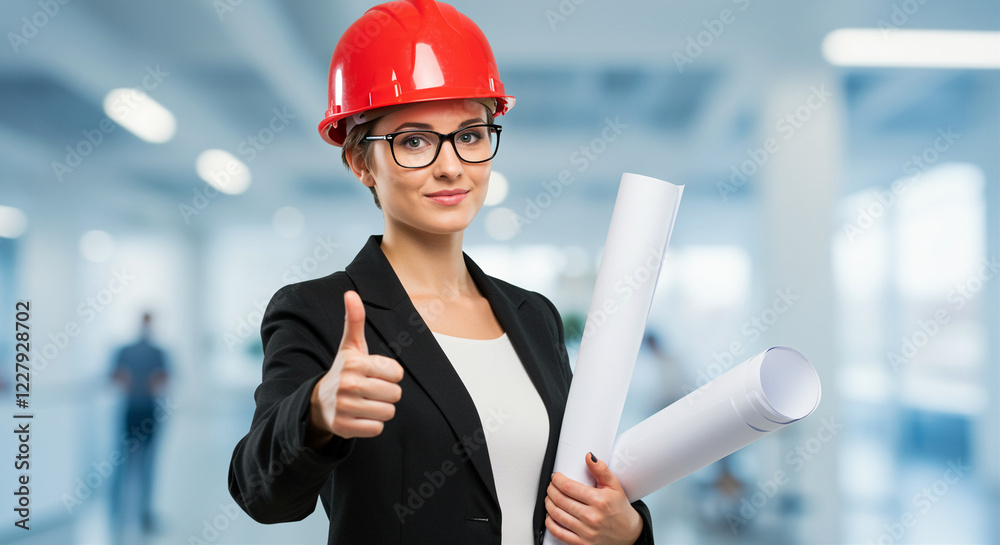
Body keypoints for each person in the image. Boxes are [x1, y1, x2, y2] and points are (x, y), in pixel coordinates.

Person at [228, 1, 655, 543]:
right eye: (413, 141)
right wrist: (315, 413)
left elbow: (580, 479)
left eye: (471, 135)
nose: (451, 165)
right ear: (362, 163)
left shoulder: (534, 316)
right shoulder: (318, 312)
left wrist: (629, 530)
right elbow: (261, 494)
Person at [109, 311, 169, 536]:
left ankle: (141, 513)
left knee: (146, 464)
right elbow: (114, 377)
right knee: (125, 462)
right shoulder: (127, 350)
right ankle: (118, 512)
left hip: (146, 411)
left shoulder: (158, 352)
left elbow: (164, 378)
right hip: (133, 411)